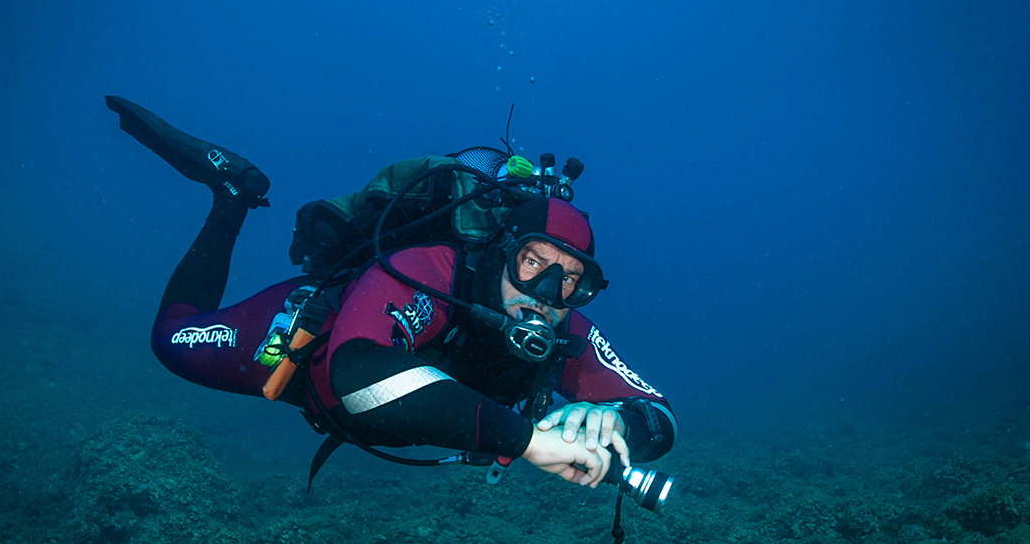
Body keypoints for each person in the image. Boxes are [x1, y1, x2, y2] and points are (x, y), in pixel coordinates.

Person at [106, 95, 677, 494]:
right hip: (296, 345)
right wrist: (528, 440)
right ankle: (231, 196)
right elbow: (355, 373)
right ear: (502, 252)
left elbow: (661, 417)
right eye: (532, 264)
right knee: (169, 340)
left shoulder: (564, 327)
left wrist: (618, 423)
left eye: (571, 279)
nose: (547, 293)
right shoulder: (428, 272)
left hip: (370, 407)